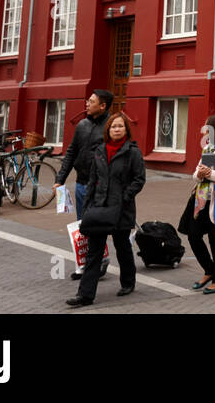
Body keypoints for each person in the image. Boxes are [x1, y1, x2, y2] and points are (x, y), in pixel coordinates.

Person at [66, 111, 145, 306]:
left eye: (120, 126)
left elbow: (139, 179)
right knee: (94, 252)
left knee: (122, 247)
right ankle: (85, 295)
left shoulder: (132, 152)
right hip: (100, 208)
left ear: (126, 129)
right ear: (108, 130)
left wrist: (125, 197)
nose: (116, 129)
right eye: (113, 126)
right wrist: (87, 208)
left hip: (121, 209)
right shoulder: (100, 151)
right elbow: (92, 180)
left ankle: (128, 282)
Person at [53, 89, 112, 279]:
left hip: (99, 186)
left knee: (95, 225)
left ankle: (97, 263)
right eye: (88, 100)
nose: (87, 103)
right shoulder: (82, 125)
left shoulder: (110, 127)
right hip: (81, 183)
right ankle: (86, 261)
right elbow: (71, 152)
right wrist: (59, 179)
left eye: (92, 101)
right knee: (83, 225)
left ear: (102, 106)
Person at [182, 114, 215, 295]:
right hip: (200, 200)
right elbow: (195, 175)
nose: (204, 130)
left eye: (207, 127)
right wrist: (201, 174)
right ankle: (209, 270)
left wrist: (209, 173)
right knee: (193, 236)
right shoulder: (208, 148)